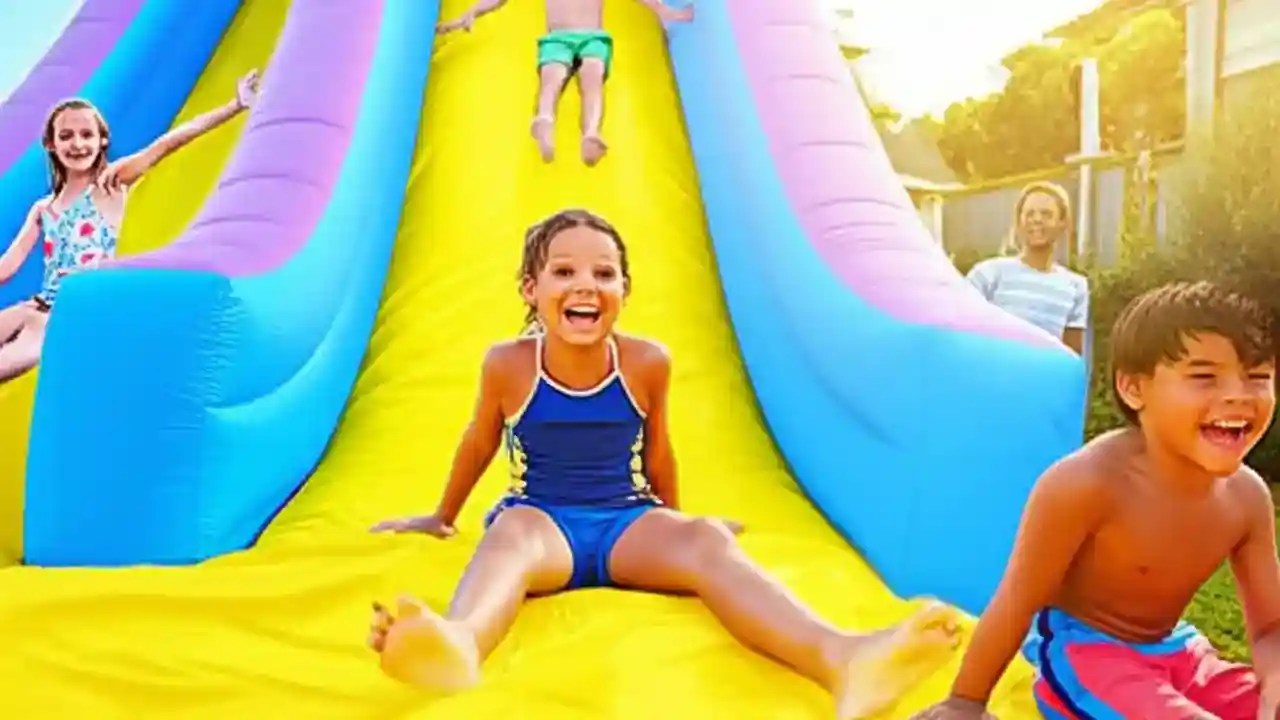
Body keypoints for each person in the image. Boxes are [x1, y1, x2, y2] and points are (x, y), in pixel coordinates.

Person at [367, 208, 964, 718]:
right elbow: (479, 442)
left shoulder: (647, 361)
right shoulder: (509, 364)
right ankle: (461, 644)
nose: (586, 285)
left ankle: (844, 660)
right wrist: (442, 515)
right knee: (511, 533)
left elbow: (659, 452)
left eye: (605, 273)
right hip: (544, 523)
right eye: (564, 271)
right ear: (531, 288)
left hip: (625, 521)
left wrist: (680, 531)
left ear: (624, 290)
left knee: (705, 539)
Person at [912, 280, 1280, 720]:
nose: (1238, 394)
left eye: (1258, 377)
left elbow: (1271, 627)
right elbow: (1017, 599)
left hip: (1181, 653)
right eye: (1204, 377)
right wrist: (965, 701)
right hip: (1089, 657)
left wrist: (1275, 677)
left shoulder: (1247, 497)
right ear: (1133, 388)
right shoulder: (1086, 483)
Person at [0, 70, 260, 383]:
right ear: (51, 144)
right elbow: (7, 266)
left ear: (102, 141)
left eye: (86, 135)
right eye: (66, 136)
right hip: (36, 307)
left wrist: (234, 105)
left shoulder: (109, 183)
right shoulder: (43, 209)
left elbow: (167, 144)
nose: (77, 144)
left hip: (68, 315)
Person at [435, 0, 693, 166]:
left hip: (584, 37)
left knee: (582, 80)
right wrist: (470, 13)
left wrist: (668, 12)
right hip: (567, 37)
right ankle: (548, 122)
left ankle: (585, 133)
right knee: (563, 80)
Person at [965, 182, 1089, 355]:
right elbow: (962, 333)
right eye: (1030, 213)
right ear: (1018, 222)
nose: (1037, 219)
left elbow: (1072, 357)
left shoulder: (1076, 287)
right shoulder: (987, 274)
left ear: (1063, 223)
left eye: (1046, 214)